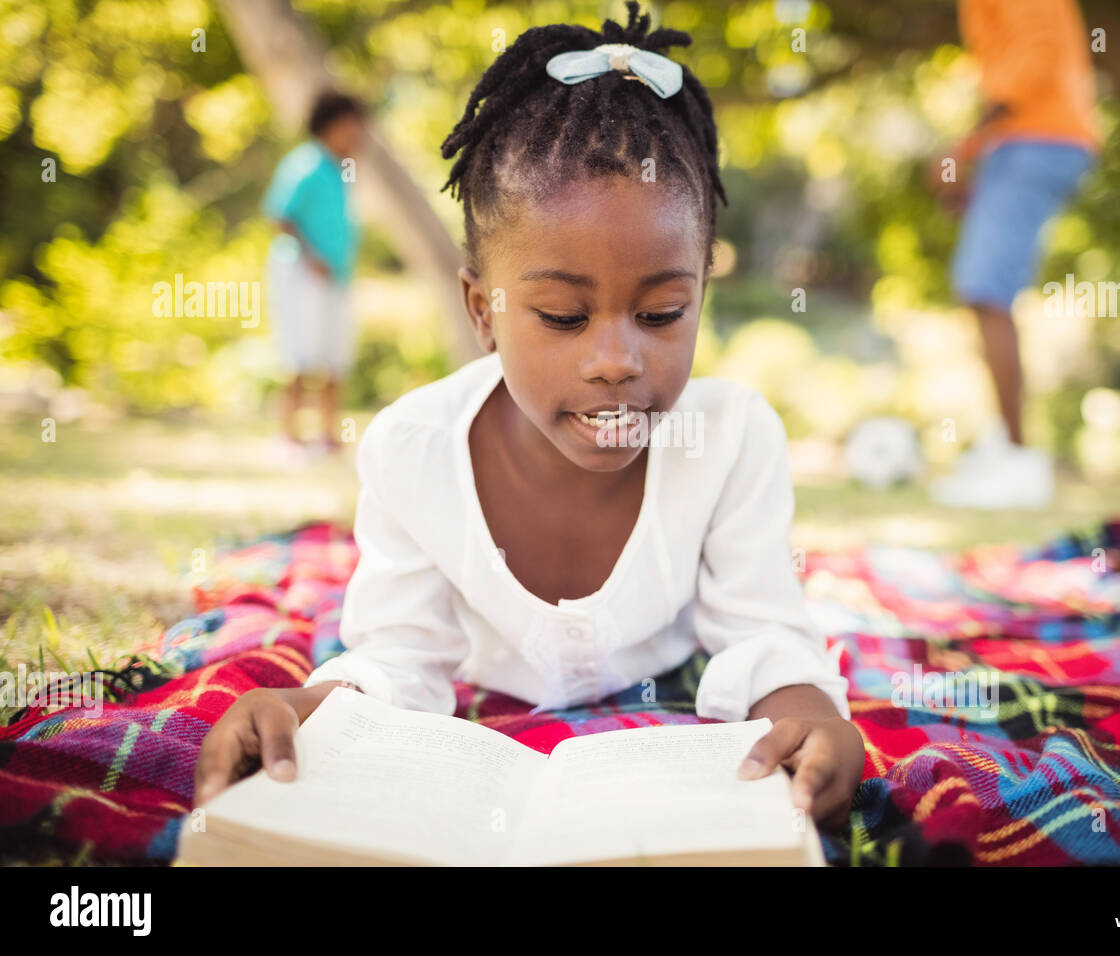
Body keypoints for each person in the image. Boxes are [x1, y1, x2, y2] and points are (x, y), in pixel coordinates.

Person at [195, 3, 864, 828]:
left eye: (661, 314)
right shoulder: (413, 449)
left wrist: (820, 721)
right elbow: (399, 656)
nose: (617, 359)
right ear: (483, 309)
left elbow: (765, 633)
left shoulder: (730, 439)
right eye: (560, 316)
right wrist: (312, 710)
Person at [930, 0, 1100, 509]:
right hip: (1024, 140)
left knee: (984, 286)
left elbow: (1036, 61)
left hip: (1038, 138)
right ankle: (1006, 447)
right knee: (981, 287)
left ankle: (1017, 461)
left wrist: (963, 148)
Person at [262, 91, 366, 459]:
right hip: (301, 274)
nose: (358, 133)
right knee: (299, 355)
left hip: (336, 278)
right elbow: (278, 215)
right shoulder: (305, 163)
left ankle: (327, 436)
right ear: (331, 124)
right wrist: (311, 257)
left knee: (335, 357)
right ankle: (290, 436)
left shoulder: (341, 168)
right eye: (351, 125)